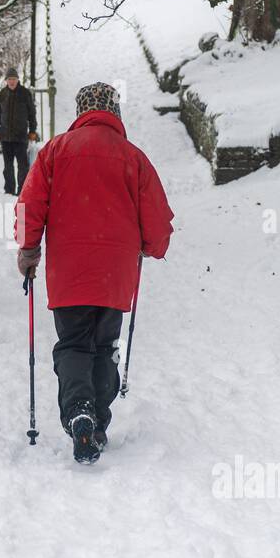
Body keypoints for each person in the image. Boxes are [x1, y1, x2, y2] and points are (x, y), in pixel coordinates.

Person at [14, 81, 174, 464]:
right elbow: (158, 219)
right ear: (115, 112)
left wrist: (28, 248)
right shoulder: (133, 157)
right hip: (115, 274)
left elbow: (28, 205)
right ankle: (97, 422)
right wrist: (153, 247)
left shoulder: (55, 151)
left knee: (73, 345)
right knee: (104, 347)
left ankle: (79, 413)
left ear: (81, 111)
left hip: (69, 272)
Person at [0, 68, 38, 195]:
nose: (12, 81)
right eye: (9, 79)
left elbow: (32, 114)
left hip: (21, 137)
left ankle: (22, 191)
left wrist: (33, 130)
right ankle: (9, 190)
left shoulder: (25, 93)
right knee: (8, 167)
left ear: (18, 80)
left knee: (23, 166)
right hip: (5, 137)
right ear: (6, 81)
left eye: (14, 79)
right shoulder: (2, 94)